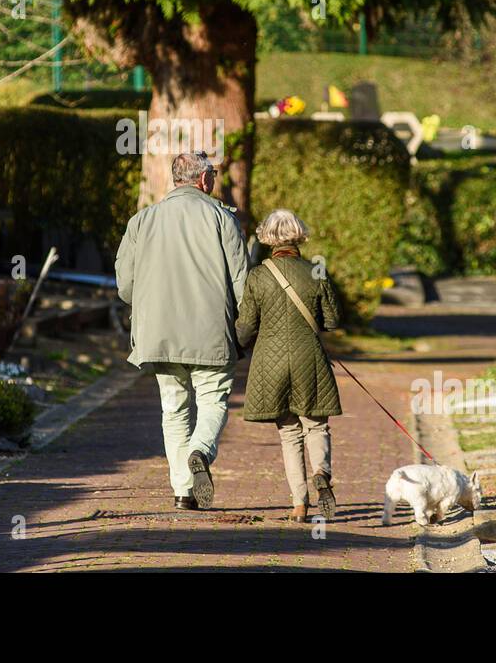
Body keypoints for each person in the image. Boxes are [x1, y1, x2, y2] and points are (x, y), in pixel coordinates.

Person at [115, 151, 250, 510]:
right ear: (204, 180)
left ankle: (182, 490)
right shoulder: (222, 219)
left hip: (158, 333)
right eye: (214, 175)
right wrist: (247, 328)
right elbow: (242, 283)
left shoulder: (141, 220)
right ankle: (201, 451)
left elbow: (125, 286)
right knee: (213, 400)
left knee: (173, 408)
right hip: (210, 332)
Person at [235, 209, 342, 522]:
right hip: (309, 357)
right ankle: (321, 474)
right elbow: (332, 321)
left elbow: (245, 330)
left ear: (268, 237)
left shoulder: (257, 275)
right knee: (317, 425)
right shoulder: (316, 271)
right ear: (299, 234)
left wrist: (236, 341)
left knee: (289, 433)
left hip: (271, 362)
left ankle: (299, 504)